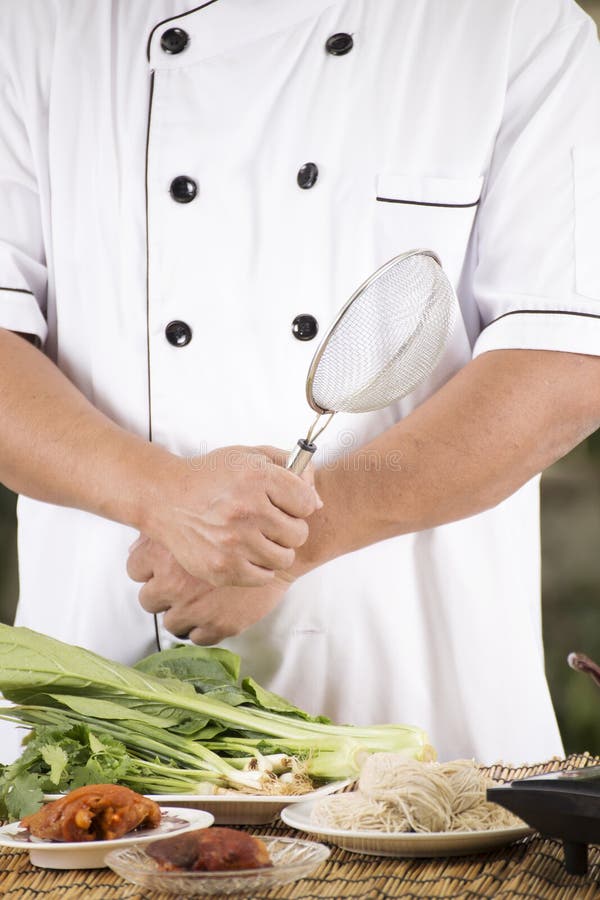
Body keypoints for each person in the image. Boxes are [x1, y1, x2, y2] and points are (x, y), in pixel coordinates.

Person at [1, 0, 600, 767]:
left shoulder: (513, 25)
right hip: (103, 699)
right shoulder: (36, 22)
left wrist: (288, 540)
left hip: (418, 704)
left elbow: (569, 359)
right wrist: (165, 499)